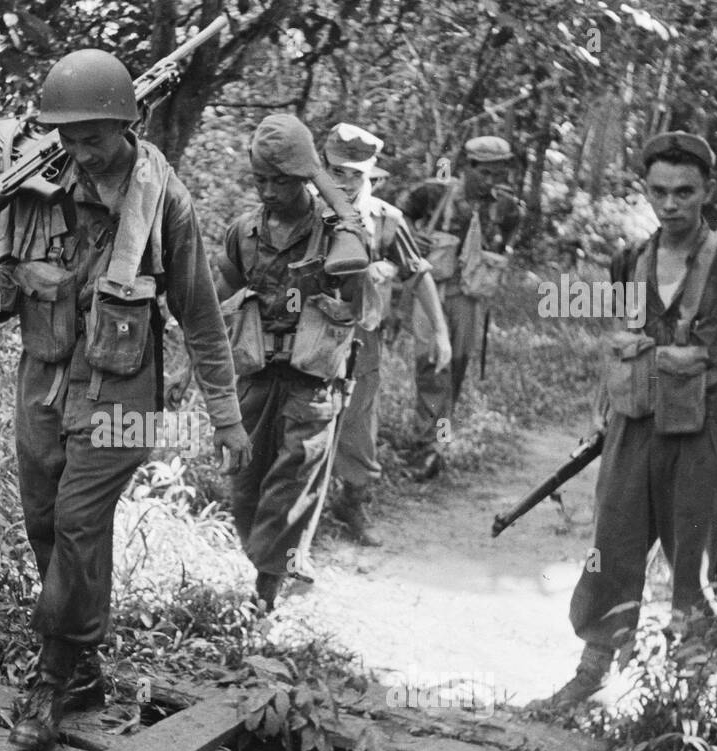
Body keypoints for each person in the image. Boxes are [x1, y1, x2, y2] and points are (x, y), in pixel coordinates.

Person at [0, 49, 250, 751]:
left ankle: (52, 671)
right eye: (67, 138)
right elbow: (7, 289)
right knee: (44, 521)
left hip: (121, 393)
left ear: (126, 124)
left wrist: (225, 418)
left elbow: (201, 317)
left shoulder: (166, 202)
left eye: (91, 138)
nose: (79, 152)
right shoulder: (36, 189)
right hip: (42, 384)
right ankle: (85, 669)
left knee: (76, 522)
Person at [531, 131, 717, 711]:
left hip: (702, 430)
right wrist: (602, 413)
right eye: (660, 191)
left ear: (707, 191)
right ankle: (593, 670)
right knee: (610, 548)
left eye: (685, 192)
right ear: (646, 190)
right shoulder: (629, 260)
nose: (671, 205)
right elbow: (621, 341)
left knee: (692, 561)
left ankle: (690, 693)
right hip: (632, 428)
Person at [211, 114, 364, 609]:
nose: (270, 190)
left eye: (283, 180)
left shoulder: (336, 233)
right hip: (255, 374)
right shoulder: (243, 231)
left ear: (305, 178)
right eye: (261, 179)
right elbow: (217, 306)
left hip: (310, 381)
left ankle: (268, 590)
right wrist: (182, 370)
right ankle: (276, 566)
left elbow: (359, 296)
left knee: (290, 484)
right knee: (245, 485)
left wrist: (343, 218)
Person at [321, 122, 451, 544]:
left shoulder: (386, 220)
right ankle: (297, 511)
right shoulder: (305, 210)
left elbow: (419, 275)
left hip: (361, 341)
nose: (343, 182)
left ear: (369, 173)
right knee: (304, 420)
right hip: (310, 334)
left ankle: (351, 504)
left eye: (354, 174)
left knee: (358, 424)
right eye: (336, 172)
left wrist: (441, 334)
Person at [400, 136, 522, 480]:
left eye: (498, 173)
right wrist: (413, 238)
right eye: (484, 172)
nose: (491, 180)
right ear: (468, 167)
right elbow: (401, 216)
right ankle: (429, 447)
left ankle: (439, 436)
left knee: (455, 368)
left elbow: (509, 238)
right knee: (431, 366)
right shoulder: (435, 193)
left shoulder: (506, 207)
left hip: (468, 297)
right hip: (431, 290)